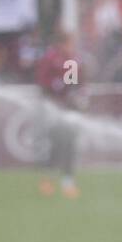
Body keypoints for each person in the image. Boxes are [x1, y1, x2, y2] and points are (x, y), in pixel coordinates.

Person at [34, 29, 83, 198]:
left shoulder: (73, 60)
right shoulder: (50, 58)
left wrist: (79, 95)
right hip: (52, 108)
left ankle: (67, 181)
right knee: (57, 144)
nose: (72, 46)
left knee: (69, 144)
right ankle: (49, 179)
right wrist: (56, 86)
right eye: (70, 43)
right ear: (62, 44)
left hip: (68, 110)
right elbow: (43, 82)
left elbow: (75, 84)